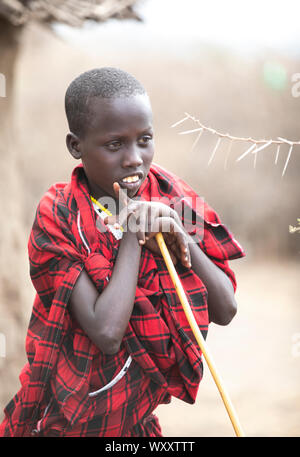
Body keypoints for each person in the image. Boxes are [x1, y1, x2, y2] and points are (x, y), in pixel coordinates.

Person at [0, 67, 245, 437]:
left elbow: (224, 309)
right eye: (115, 144)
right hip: (63, 421)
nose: (134, 158)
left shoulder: (170, 193)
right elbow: (107, 331)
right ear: (75, 146)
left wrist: (178, 230)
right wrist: (132, 235)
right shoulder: (60, 214)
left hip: (132, 423)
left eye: (144, 139)